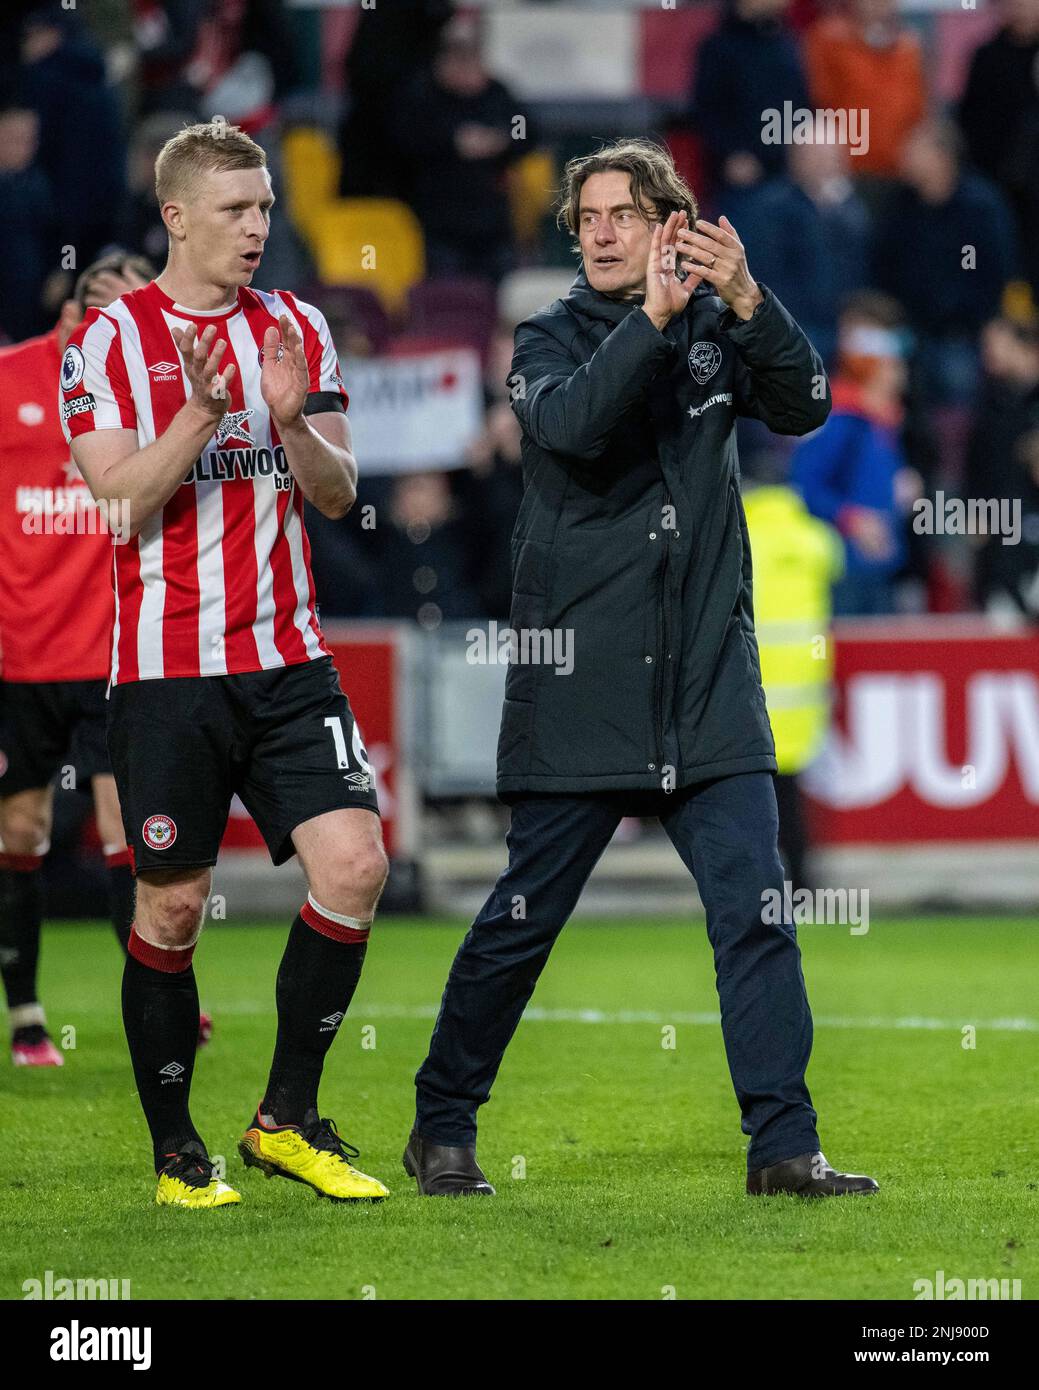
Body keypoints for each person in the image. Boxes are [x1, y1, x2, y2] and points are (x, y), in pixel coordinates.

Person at [405, 138, 878, 1201]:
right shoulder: (544, 337)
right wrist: (655, 324)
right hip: (582, 691)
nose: (604, 232)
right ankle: (440, 1123)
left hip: (705, 690)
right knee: (517, 928)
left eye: (625, 213)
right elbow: (569, 424)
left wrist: (749, 297)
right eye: (589, 218)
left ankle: (783, 1148)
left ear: (671, 225)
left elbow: (805, 404)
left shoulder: (721, 323)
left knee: (757, 917)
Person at [60, 120, 390, 1210]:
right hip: (165, 674)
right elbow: (116, 502)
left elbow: (339, 493)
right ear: (177, 217)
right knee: (173, 909)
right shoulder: (106, 345)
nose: (259, 227)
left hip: (291, 659)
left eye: (264, 208)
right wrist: (204, 412)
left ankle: (284, 1118)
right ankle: (174, 1154)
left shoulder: (296, 324)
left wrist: (292, 425)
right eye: (238, 209)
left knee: (355, 868)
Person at [0, 254, 150, 1068]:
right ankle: (26, 1017)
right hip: (17, 657)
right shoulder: (11, 378)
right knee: (19, 832)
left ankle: (153, 1002)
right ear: (78, 311)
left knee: (125, 828)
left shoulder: (146, 397)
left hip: (112, 656)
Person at [792, 292, 916, 616]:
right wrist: (853, 521)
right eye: (893, 365)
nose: (901, 373)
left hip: (882, 568)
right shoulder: (840, 418)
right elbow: (805, 488)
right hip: (845, 571)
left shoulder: (885, 422)